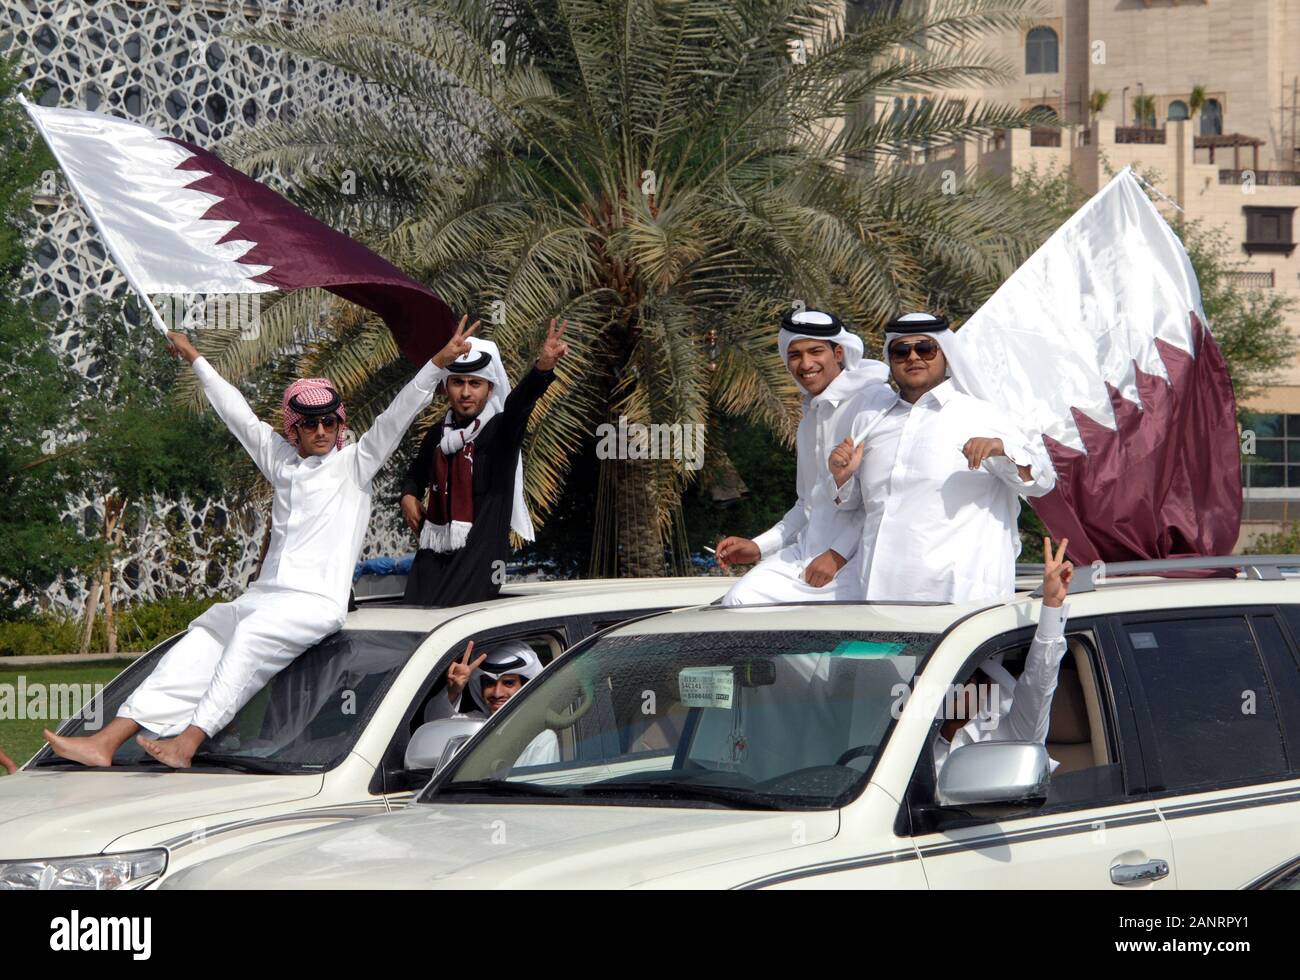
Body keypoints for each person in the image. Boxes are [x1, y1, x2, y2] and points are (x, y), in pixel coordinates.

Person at [43, 317, 481, 769]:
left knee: (249, 639)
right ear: (294, 429)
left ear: (339, 423)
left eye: (330, 421)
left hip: (313, 604)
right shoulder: (281, 461)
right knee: (201, 642)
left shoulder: (355, 464)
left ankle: (188, 743)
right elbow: (236, 414)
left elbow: (396, 415)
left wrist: (436, 365)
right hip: (263, 597)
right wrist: (195, 358)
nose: (322, 431)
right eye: (310, 423)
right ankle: (108, 742)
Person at [828, 311, 1055, 603]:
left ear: (945, 354)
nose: (913, 357)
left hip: (959, 595)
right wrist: (842, 477)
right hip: (879, 590)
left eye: (925, 349)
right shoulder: (872, 421)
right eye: (901, 351)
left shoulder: (980, 413)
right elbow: (856, 508)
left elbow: (1043, 481)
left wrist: (1002, 449)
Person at [716, 309, 893, 605]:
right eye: (795, 355)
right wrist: (758, 547)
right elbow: (807, 503)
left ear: (838, 353)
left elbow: (883, 500)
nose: (805, 364)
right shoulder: (810, 416)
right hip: (806, 555)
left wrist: (836, 554)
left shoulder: (874, 403)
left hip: (857, 559)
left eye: (815, 351)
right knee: (739, 601)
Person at [399, 320, 569, 606]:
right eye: (458, 382)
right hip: (433, 557)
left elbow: (519, 406)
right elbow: (416, 470)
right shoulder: (439, 434)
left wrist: (542, 368)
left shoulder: (501, 431)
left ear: (490, 388)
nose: (466, 393)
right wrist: (408, 494)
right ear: (447, 386)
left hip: (479, 564)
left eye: (475, 383)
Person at [933, 537, 1073, 777]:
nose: (952, 685)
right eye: (943, 678)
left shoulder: (1016, 734)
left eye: (962, 678)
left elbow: (1039, 683)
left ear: (985, 684)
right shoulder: (912, 743)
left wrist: (1051, 606)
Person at [427, 639, 558, 767]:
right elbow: (436, 725)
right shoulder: (476, 722)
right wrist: (453, 691)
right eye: (489, 683)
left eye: (508, 683)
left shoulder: (540, 739)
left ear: (524, 687)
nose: (497, 693)